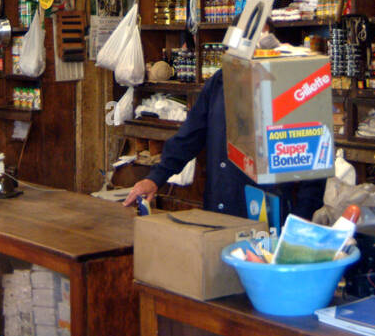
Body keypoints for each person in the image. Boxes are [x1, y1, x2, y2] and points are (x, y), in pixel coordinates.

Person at [122, 64, 326, 221]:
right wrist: (155, 178)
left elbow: (313, 159)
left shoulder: (292, 85)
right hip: (220, 208)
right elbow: (189, 136)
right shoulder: (220, 82)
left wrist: (303, 216)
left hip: (268, 213)